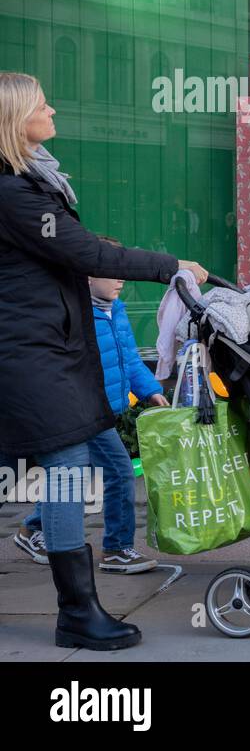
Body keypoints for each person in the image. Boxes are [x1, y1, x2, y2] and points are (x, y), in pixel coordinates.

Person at [0, 72, 208, 651]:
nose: (54, 108)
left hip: (41, 351)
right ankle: (78, 613)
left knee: (56, 467)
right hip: (30, 356)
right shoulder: (15, 194)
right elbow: (87, 252)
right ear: (17, 120)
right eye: (43, 104)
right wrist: (170, 265)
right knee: (66, 468)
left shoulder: (30, 185)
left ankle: (79, 610)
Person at [14, 239, 170, 574]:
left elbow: (129, 358)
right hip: (82, 411)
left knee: (74, 474)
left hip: (104, 410)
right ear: (86, 277)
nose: (121, 279)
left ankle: (34, 527)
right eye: (111, 272)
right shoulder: (75, 313)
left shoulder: (117, 311)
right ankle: (116, 548)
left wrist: (151, 391)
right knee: (117, 471)